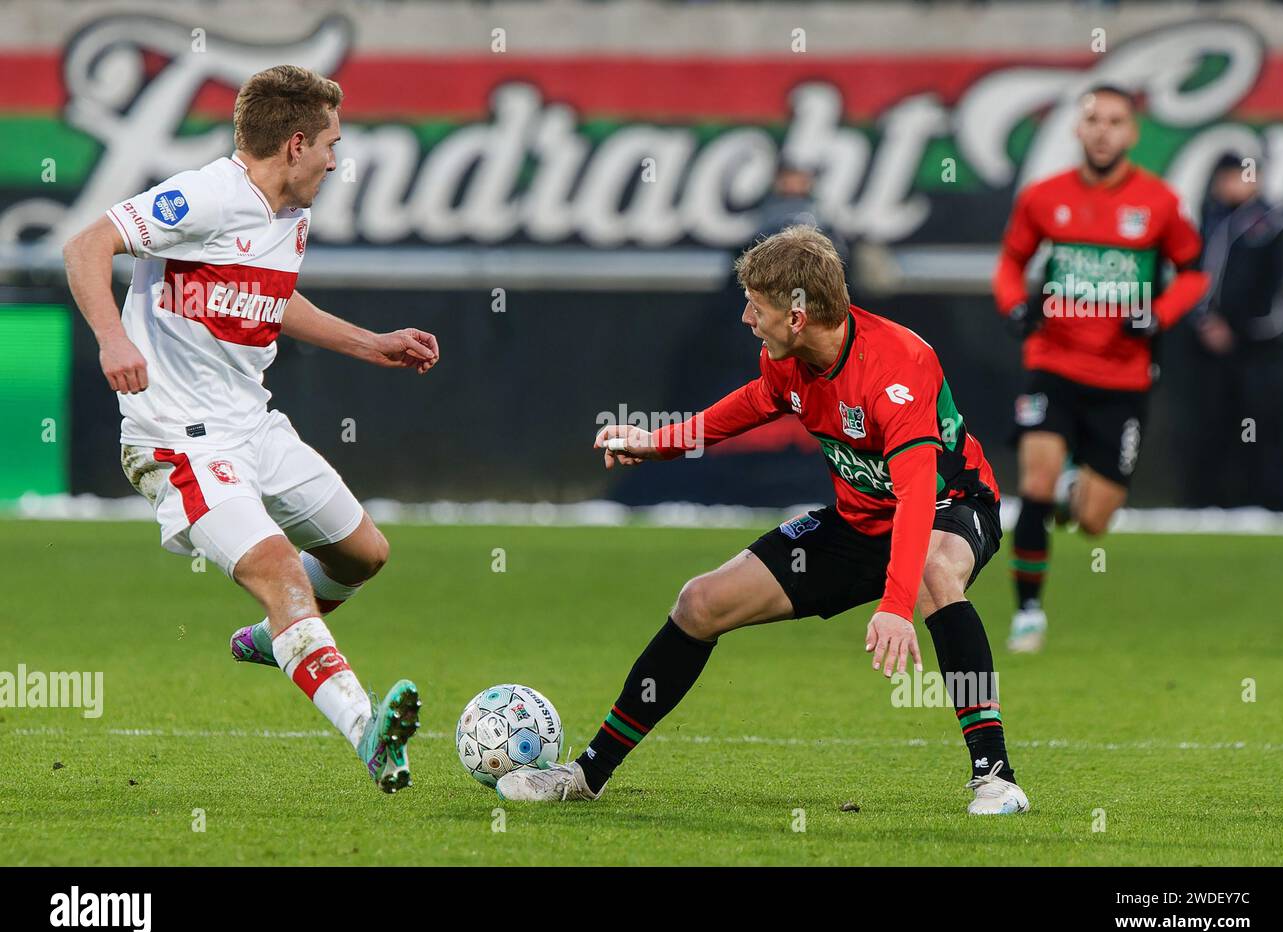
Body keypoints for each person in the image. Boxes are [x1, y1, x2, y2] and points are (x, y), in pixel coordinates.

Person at [497, 224, 1030, 815]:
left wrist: (894, 608)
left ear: (797, 316)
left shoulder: (898, 371)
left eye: (756, 308)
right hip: (858, 524)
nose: (747, 319)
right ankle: (587, 773)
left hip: (949, 507)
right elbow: (753, 404)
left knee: (933, 572)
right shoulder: (788, 358)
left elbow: (911, 501)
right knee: (699, 603)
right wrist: (659, 443)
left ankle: (996, 777)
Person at [62, 65, 438, 793]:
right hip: (177, 437)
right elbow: (86, 246)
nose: (337, 158)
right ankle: (366, 729)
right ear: (296, 143)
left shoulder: (288, 214)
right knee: (283, 574)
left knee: (363, 555)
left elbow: (268, 298)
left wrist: (369, 342)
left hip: (253, 425)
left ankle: (278, 640)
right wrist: (113, 339)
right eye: (331, 142)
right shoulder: (206, 195)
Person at [992, 84, 1209, 653]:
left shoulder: (1159, 202)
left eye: (1115, 120)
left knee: (1094, 522)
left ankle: (1071, 489)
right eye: (1093, 119)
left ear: (1132, 133)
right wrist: (1015, 306)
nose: (1104, 130)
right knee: (1033, 484)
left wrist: (1159, 315)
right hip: (1053, 365)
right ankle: (1029, 613)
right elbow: (1010, 264)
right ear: (1078, 128)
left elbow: (1194, 272)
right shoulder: (1044, 197)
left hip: (1123, 379)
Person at [1180, 152, 1283, 511]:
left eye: (1238, 177)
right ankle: (1213, 504)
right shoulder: (1211, 222)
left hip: (1260, 349)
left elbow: (1274, 293)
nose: (1230, 185)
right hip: (1213, 349)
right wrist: (1204, 322)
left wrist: (1237, 328)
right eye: (1225, 177)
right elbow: (1195, 279)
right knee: (1215, 428)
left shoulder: (1272, 226)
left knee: (1262, 427)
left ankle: (1269, 504)